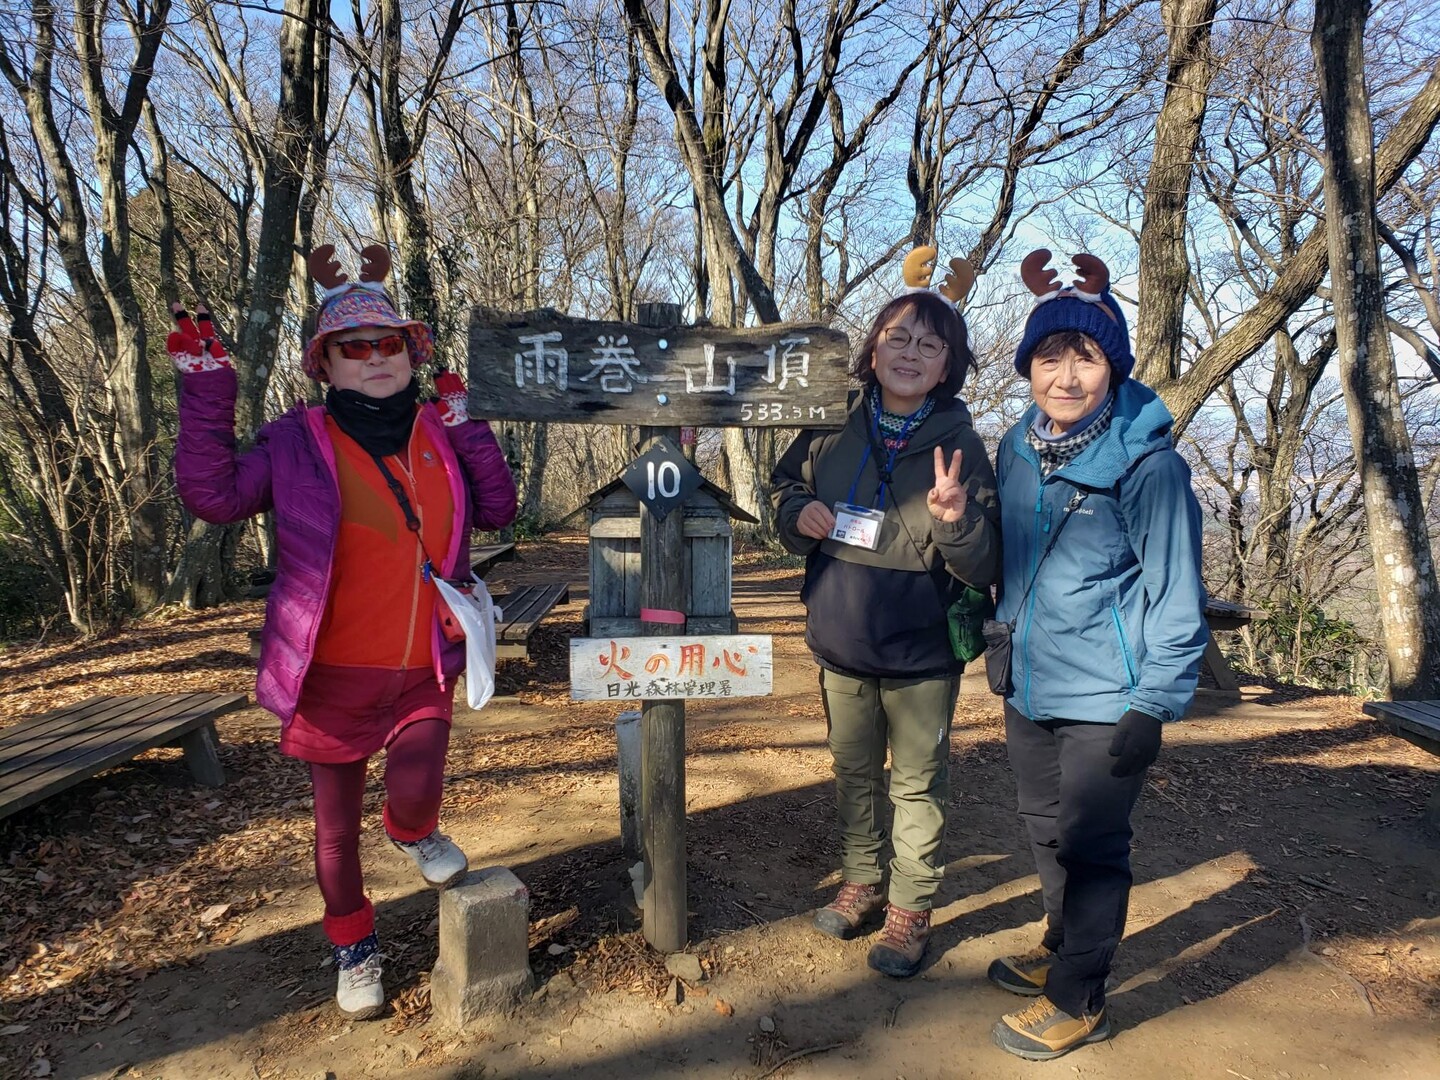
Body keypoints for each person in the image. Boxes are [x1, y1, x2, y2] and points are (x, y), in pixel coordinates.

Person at [170, 244, 517, 1020]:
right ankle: (354, 946)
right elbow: (214, 495)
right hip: (329, 672)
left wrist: (472, 427)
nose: (374, 357)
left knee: (417, 788)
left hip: (425, 659)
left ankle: (413, 832)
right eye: (352, 347)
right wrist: (206, 393)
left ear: (411, 352)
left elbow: (497, 509)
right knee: (334, 834)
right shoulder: (296, 441)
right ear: (324, 364)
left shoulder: (437, 427)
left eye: (388, 343)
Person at [985, 249, 1207, 1060]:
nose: (1067, 376)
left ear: (1111, 367)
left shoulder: (1151, 469)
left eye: (1085, 357)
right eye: (1050, 357)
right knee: (1045, 830)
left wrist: (1153, 703)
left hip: (1109, 695)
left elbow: (1177, 595)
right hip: (1029, 683)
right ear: (1029, 368)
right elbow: (1004, 562)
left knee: (1093, 845)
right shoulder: (1016, 451)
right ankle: (1059, 941)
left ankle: (1080, 996)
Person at [771, 247, 1000, 979]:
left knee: (916, 781)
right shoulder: (829, 423)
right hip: (838, 633)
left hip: (922, 648)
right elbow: (783, 491)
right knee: (852, 771)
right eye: (899, 336)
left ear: (947, 368)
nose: (911, 352)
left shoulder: (961, 445)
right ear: (873, 347)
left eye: (930, 345)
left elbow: (984, 562)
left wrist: (955, 520)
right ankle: (863, 881)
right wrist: (794, 512)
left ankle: (911, 906)